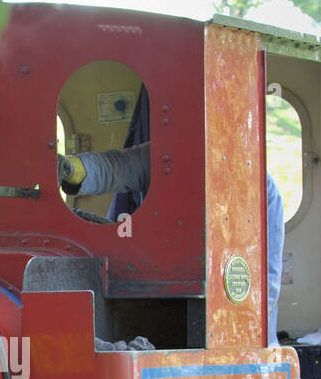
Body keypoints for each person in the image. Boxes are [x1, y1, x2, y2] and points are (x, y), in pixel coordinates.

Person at [59, 142, 286, 345]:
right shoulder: (166, 154)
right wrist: (75, 168)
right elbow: (116, 166)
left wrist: (249, 336)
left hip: (234, 323)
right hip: (161, 305)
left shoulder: (262, 188)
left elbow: (268, 279)